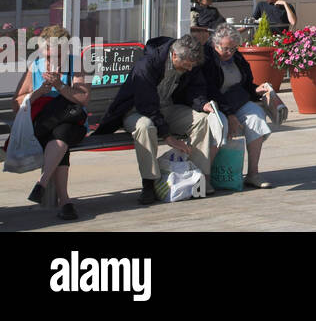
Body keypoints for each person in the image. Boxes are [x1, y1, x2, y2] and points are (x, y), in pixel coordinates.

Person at [90, 34, 218, 204]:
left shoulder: (190, 63)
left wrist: (202, 105)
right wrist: (168, 137)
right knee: (146, 127)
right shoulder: (147, 65)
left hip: (166, 108)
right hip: (136, 110)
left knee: (202, 119)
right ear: (174, 55)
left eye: (191, 66)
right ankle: (149, 184)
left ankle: (199, 179)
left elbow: (196, 89)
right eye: (186, 65)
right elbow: (147, 105)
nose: (189, 69)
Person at [12, 26, 90, 220]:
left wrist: (60, 86)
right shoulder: (35, 66)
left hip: (73, 123)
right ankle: (64, 201)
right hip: (45, 125)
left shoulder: (77, 64)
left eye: (52, 55)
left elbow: (83, 99)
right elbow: (16, 104)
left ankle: (43, 184)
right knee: (58, 137)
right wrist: (39, 92)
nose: (47, 59)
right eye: (45, 53)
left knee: (61, 133)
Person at [204, 25, 286, 189]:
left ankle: (253, 174)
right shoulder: (206, 59)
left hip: (236, 101)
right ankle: (205, 178)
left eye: (234, 48)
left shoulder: (238, 58)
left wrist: (257, 90)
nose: (230, 53)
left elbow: (246, 84)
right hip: (213, 104)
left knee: (256, 116)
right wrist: (230, 114)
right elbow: (210, 90)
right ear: (215, 44)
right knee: (221, 125)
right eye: (226, 49)